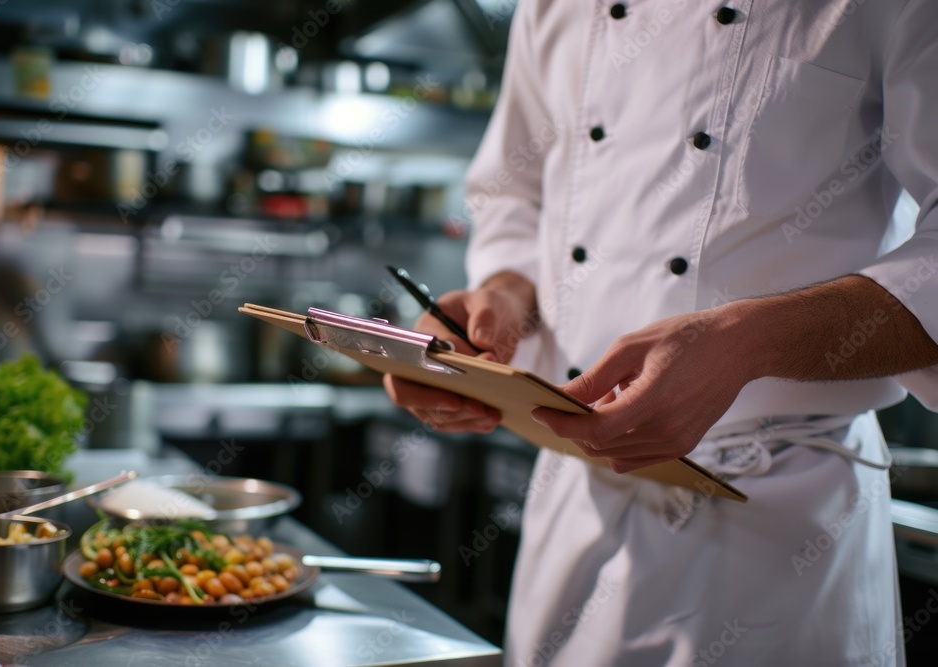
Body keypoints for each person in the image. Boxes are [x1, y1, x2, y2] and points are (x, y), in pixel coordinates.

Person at [384, 0, 938, 665]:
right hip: (573, 490)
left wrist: (745, 342)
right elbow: (516, 195)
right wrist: (499, 305)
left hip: (776, 513)